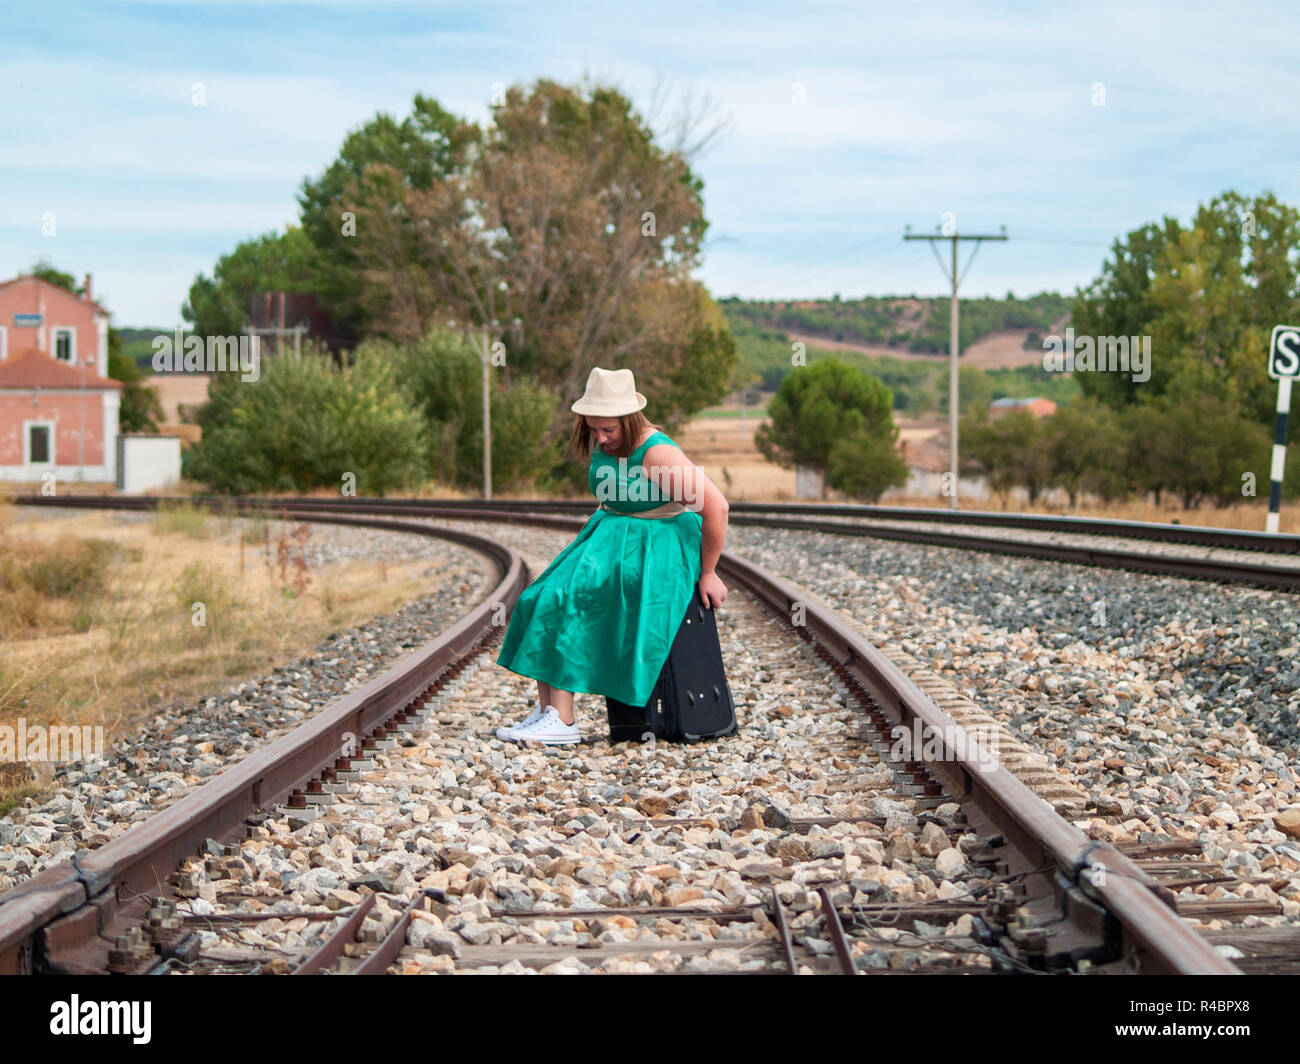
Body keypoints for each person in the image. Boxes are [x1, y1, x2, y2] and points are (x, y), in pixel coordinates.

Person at [494, 366, 730, 744]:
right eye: (594, 429)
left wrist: (708, 572)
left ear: (630, 419)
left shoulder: (657, 453)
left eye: (609, 430)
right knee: (540, 597)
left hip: (656, 548)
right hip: (612, 536)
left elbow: (716, 507)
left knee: (567, 599)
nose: (601, 438)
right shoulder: (607, 443)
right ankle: (547, 711)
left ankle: (564, 721)